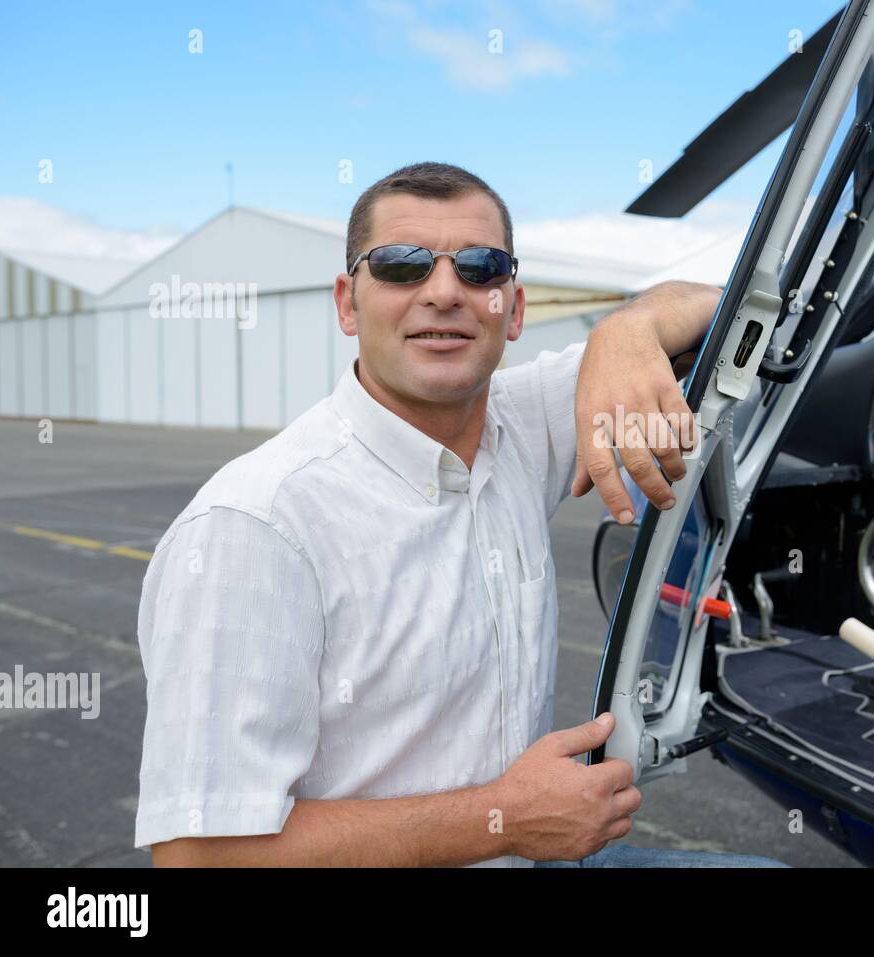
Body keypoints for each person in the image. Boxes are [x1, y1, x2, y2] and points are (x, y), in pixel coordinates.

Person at [134, 161, 784, 867]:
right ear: (348, 303)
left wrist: (627, 327)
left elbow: (733, 311)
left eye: (480, 268)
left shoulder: (523, 422)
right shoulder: (254, 527)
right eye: (402, 266)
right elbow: (197, 856)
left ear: (515, 307)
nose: (444, 291)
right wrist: (503, 820)